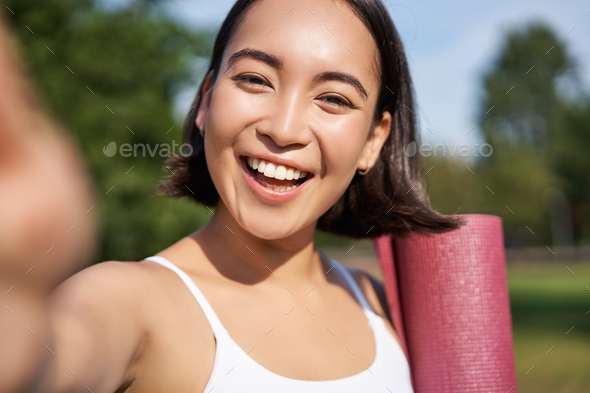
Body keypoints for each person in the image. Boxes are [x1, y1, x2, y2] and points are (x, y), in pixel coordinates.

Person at [0, 0, 464, 392]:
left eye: (334, 99)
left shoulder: (384, 305)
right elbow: (47, 358)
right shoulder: (132, 301)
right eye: (255, 79)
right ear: (206, 101)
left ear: (373, 141)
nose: (283, 130)